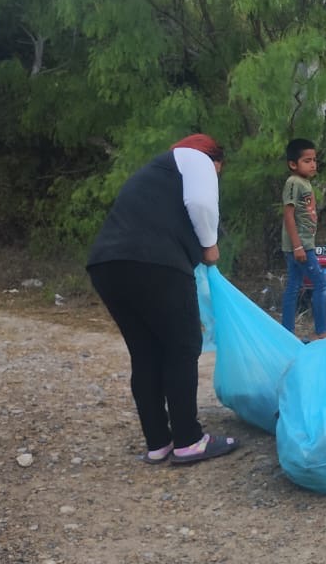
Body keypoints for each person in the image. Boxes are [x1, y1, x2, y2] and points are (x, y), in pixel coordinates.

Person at [87, 134, 240, 465]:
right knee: (183, 346)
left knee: (146, 352)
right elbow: (200, 204)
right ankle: (189, 440)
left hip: (106, 265)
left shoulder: (156, 171)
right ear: (216, 161)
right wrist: (210, 244)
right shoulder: (196, 159)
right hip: (155, 263)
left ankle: (158, 442)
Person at [280, 138, 326, 340]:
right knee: (321, 283)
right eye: (307, 160)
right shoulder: (293, 183)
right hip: (300, 247)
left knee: (294, 284)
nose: (313, 164)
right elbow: (289, 215)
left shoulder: (304, 183)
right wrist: (298, 246)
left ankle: (287, 332)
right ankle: (321, 332)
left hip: (303, 245)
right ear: (293, 164)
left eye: (314, 160)